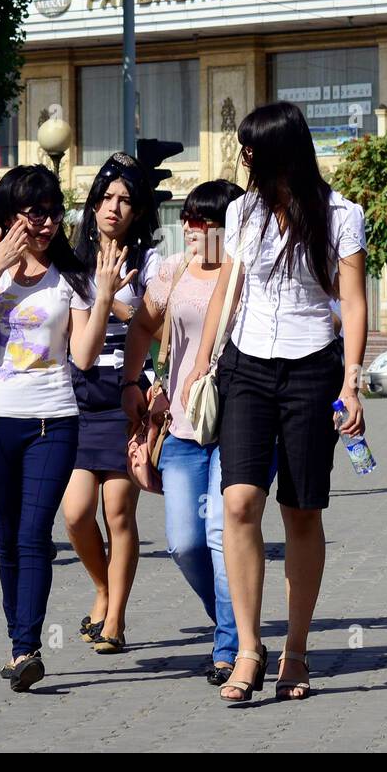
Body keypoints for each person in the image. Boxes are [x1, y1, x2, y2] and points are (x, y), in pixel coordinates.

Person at [182, 101, 368, 704]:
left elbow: (355, 304)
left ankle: (296, 648)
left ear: (280, 152)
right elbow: (225, 293)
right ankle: (246, 649)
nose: (244, 159)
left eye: (251, 149)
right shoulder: (241, 213)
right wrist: (197, 362)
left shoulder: (342, 216)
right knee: (238, 502)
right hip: (246, 369)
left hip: (313, 370)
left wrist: (352, 382)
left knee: (301, 512)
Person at [0, 164, 131, 693]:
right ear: (10, 213)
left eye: (54, 213)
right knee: (7, 539)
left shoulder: (69, 276)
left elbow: (85, 355)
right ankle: (17, 641)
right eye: (36, 212)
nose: (48, 223)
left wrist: (102, 294)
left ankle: (27, 648)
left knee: (33, 536)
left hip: (52, 421)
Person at [123, 179, 248, 686]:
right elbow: (140, 327)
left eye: (205, 221)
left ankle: (230, 647)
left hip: (238, 423)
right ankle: (231, 618)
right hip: (180, 425)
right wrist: (136, 382)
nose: (192, 229)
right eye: (188, 219)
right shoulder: (173, 273)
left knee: (221, 534)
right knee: (184, 542)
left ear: (231, 227)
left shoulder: (249, 276)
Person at [61, 152, 162, 655]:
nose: (113, 208)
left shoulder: (152, 265)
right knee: (77, 513)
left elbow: (160, 323)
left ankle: (115, 618)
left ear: (139, 211)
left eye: (125, 200)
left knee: (118, 509)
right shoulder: (72, 266)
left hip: (127, 399)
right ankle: (102, 588)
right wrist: (99, 292)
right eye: (105, 198)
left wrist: (118, 299)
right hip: (79, 401)